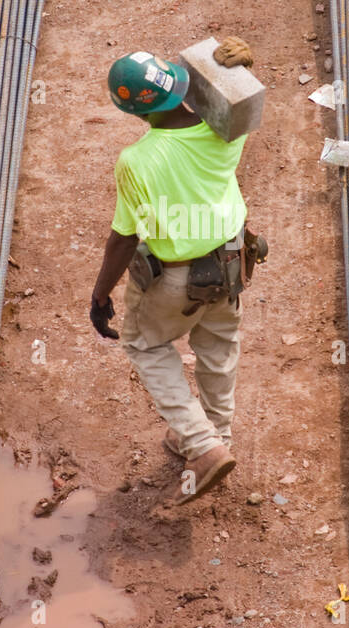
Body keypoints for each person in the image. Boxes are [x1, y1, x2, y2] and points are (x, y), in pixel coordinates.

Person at [89, 49, 259, 504]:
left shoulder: (136, 160)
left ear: (133, 109)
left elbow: (124, 238)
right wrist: (236, 67)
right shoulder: (223, 132)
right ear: (178, 85)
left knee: (145, 344)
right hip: (231, 265)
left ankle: (202, 445)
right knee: (218, 348)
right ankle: (213, 435)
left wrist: (101, 294)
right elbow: (241, 99)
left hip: (176, 279)